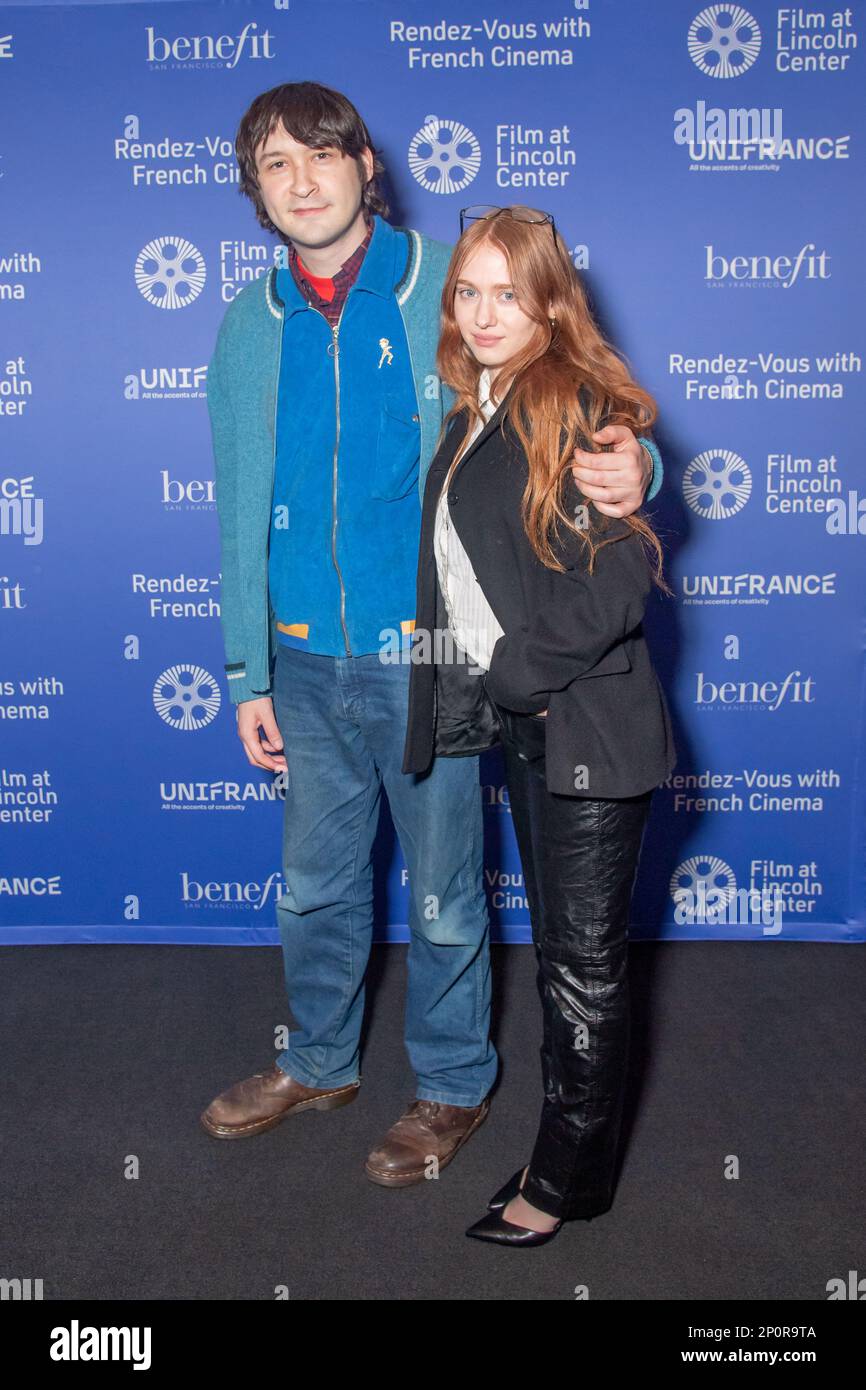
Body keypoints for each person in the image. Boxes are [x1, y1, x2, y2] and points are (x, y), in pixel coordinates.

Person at [202, 81, 665, 1188]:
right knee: (312, 887)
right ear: (256, 193)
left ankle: (451, 1084)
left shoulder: (443, 295)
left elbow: (571, 393)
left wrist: (634, 464)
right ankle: (316, 1060)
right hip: (303, 662)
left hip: (430, 660)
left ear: (367, 164)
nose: (302, 178)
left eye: (322, 153)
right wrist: (244, 670)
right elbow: (233, 504)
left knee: (449, 890)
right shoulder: (243, 324)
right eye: (275, 164)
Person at [402, 205, 677, 1244]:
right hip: (536, 727)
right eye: (465, 291)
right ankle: (568, 1155)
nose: (479, 311)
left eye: (504, 292)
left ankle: (560, 1186)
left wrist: (512, 669)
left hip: (586, 729)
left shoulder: (572, 400)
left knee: (581, 968)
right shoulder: (480, 400)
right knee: (568, 956)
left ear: (547, 301)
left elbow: (615, 583)